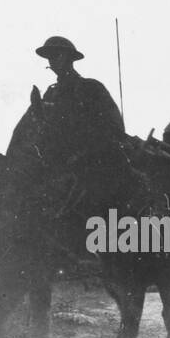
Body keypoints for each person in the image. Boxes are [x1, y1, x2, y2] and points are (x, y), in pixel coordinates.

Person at [28, 35, 136, 210]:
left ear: (67, 57)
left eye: (56, 55)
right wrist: (38, 113)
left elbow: (114, 127)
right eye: (50, 57)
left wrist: (85, 152)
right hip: (62, 170)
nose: (52, 61)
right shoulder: (50, 95)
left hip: (95, 167)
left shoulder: (90, 88)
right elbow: (44, 135)